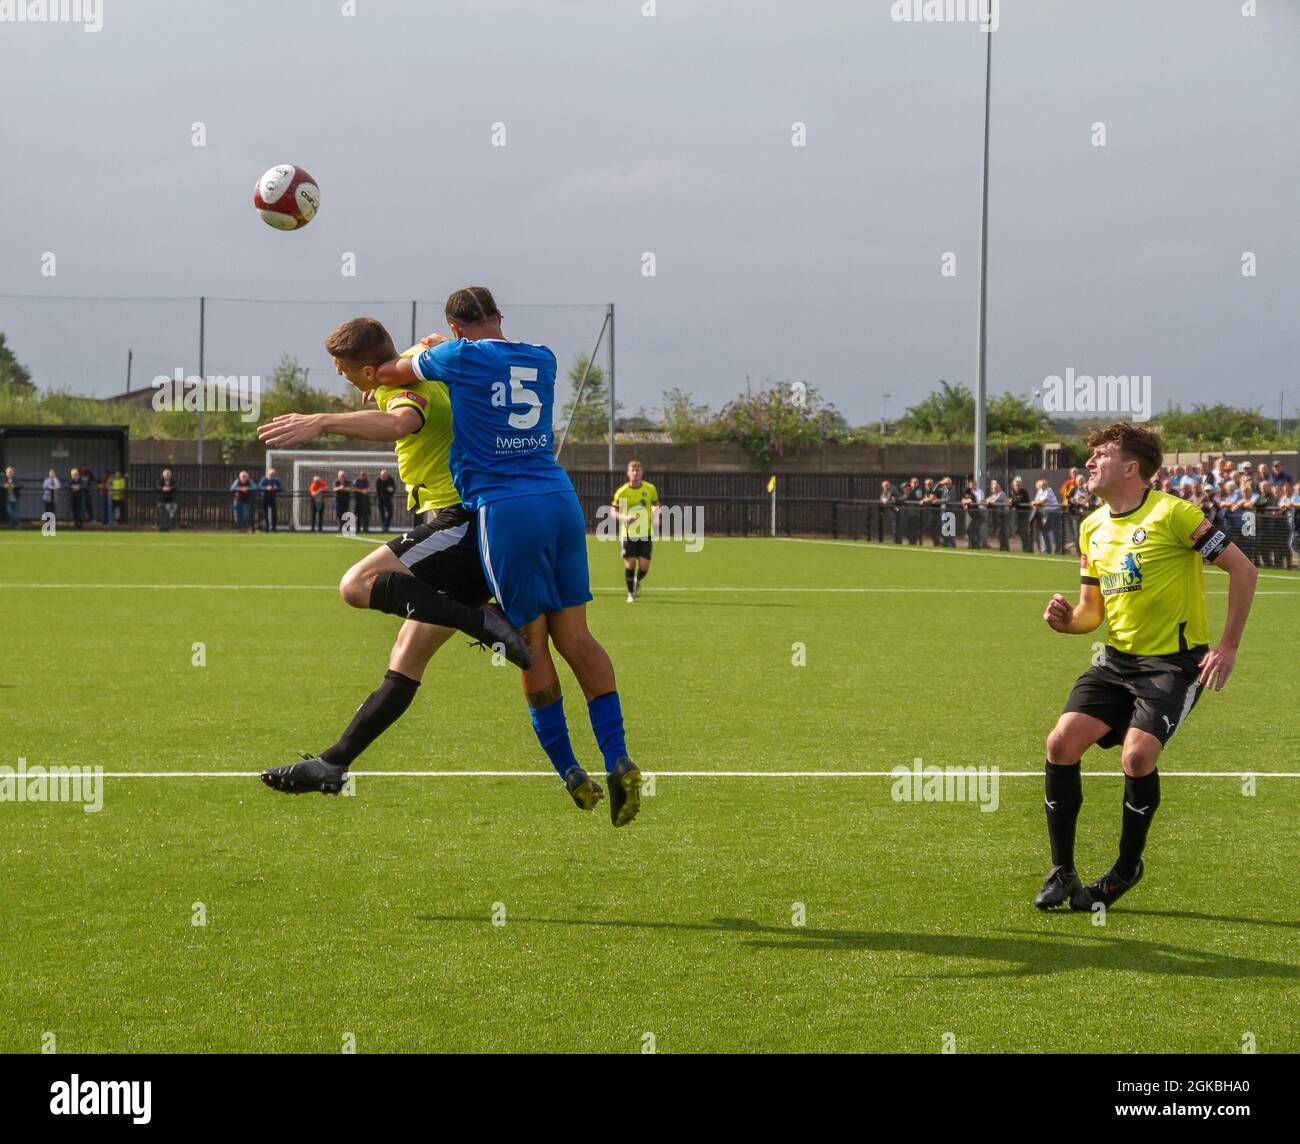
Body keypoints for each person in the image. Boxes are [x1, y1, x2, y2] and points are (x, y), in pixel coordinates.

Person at [374, 286, 642, 826]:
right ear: (499, 317)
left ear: (453, 328)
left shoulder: (455, 355)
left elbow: (386, 374)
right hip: (558, 498)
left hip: (505, 508)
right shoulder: (541, 356)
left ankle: (569, 768)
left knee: (532, 640)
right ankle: (618, 755)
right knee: (578, 636)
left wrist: (421, 348)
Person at [257, 316, 528, 797]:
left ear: (364, 370)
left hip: (458, 523)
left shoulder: (401, 388)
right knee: (405, 658)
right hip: (475, 523)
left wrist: (322, 421)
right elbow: (422, 346)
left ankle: (482, 621)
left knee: (354, 586)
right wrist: (425, 344)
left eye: (342, 368)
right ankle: (333, 764)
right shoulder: (406, 365)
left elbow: (403, 419)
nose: (339, 375)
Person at [1034, 422, 1258, 912]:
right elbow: (1091, 612)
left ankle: (1125, 869)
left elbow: (1244, 569)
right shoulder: (1091, 525)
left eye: (1101, 455)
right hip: (1115, 661)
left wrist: (1228, 645)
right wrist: (1067, 621)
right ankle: (1062, 870)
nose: (1089, 463)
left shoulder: (1176, 514)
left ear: (1130, 468)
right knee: (1060, 743)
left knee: (1136, 758)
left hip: (1172, 667)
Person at [611, 460, 659, 602]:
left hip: (646, 533)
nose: (635, 473)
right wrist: (624, 517)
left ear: (642, 472)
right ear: (628, 473)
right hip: (628, 534)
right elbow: (613, 512)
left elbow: (656, 504)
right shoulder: (622, 491)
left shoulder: (650, 489)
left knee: (644, 566)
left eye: (638, 470)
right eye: (632, 470)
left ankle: (638, 580)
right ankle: (631, 593)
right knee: (630, 563)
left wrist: (655, 511)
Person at [985, 479, 1010, 550]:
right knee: (1000, 532)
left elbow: (993, 501)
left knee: (1003, 532)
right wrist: (989, 500)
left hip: (1004, 515)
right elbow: (987, 500)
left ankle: (1005, 547)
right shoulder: (994, 494)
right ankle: (1003, 547)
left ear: (998, 488)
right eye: (992, 488)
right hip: (998, 516)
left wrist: (990, 501)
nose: (993, 489)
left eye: (995, 488)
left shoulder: (1001, 494)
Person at [1009, 477, 1031, 551]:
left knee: (1024, 532)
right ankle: (1025, 548)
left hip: (1024, 515)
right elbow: (1010, 501)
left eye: (1018, 485)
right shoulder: (1012, 492)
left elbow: (1018, 501)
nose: (1017, 486)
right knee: (1020, 532)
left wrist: (1012, 502)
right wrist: (1011, 502)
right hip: (1016, 515)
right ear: (1013, 485)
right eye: (1015, 485)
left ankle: (1027, 548)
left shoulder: (1024, 492)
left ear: (1021, 485)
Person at [258, 468, 282, 533]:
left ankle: (274, 528)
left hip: (272, 499)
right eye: (270, 474)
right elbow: (259, 487)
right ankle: (267, 529)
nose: (271, 475)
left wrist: (275, 488)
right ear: (267, 474)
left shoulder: (276, 480)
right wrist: (266, 488)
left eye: (273, 474)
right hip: (265, 498)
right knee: (265, 514)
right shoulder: (264, 479)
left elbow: (281, 488)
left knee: (274, 514)